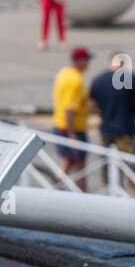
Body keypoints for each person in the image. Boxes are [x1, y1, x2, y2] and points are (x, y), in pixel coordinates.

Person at [89, 51, 135, 176]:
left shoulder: (98, 80)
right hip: (127, 131)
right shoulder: (129, 77)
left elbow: (91, 105)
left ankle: (110, 191)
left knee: (108, 169)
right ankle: (134, 193)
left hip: (106, 132)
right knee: (133, 170)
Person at [52, 47, 93, 178]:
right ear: (80, 60)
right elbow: (69, 109)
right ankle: (79, 195)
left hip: (61, 124)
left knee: (70, 162)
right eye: (86, 60)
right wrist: (72, 134)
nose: (88, 63)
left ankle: (55, 191)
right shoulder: (74, 80)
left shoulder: (63, 73)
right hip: (72, 128)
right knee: (77, 165)